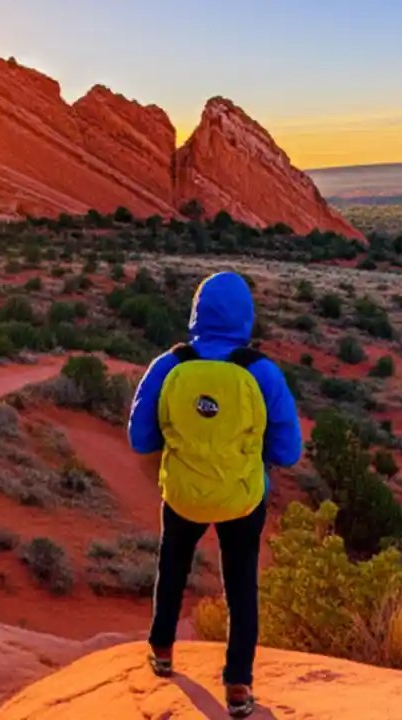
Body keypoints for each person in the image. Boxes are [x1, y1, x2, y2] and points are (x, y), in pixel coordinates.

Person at [127, 271, 303, 718]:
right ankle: (238, 685)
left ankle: (162, 651)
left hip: (183, 492)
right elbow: (289, 450)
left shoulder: (169, 365)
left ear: (197, 312)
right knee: (241, 584)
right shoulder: (260, 371)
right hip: (242, 496)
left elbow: (140, 438)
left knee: (173, 566)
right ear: (246, 316)